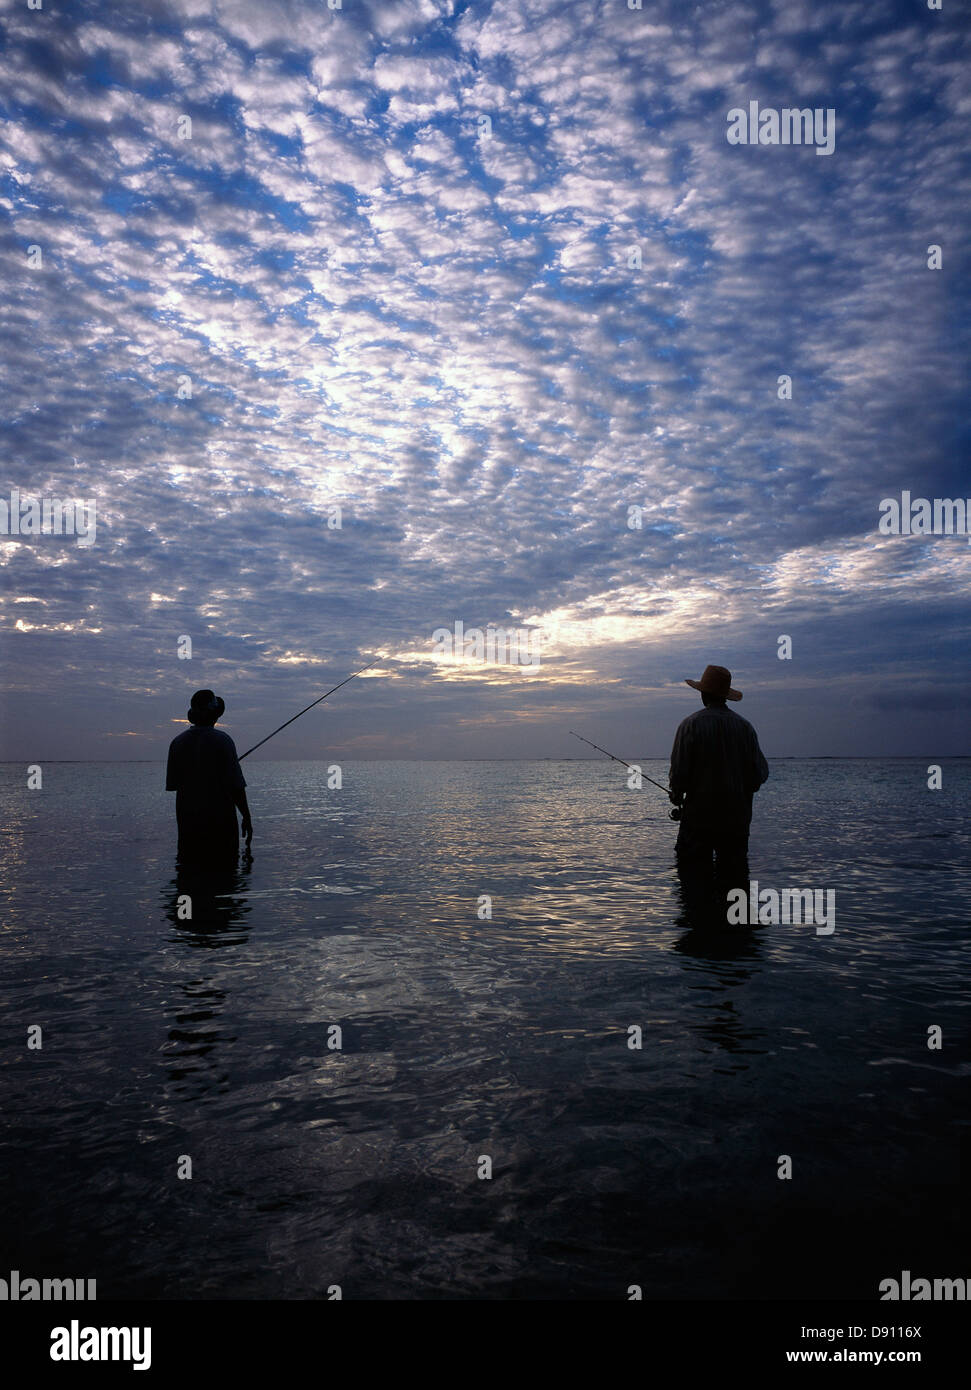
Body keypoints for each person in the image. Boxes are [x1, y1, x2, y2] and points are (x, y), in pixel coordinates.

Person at [668, 665, 768, 889]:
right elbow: (759, 774)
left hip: (697, 822)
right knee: (735, 883)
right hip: (737, 822)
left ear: (703, 694)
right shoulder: (746, 728)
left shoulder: (689, 725)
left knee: (692, 885)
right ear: (726, 696)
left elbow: (679, 775)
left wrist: (676, 795)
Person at [166, 690, 252, 869]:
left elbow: (173, 784)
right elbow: (236, 786)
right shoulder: (223, 741)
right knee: (225, 880)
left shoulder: (177, 743)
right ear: (215, 715)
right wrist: (246, 816)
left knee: (189, 879)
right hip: (221, 828)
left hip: (188, 829)